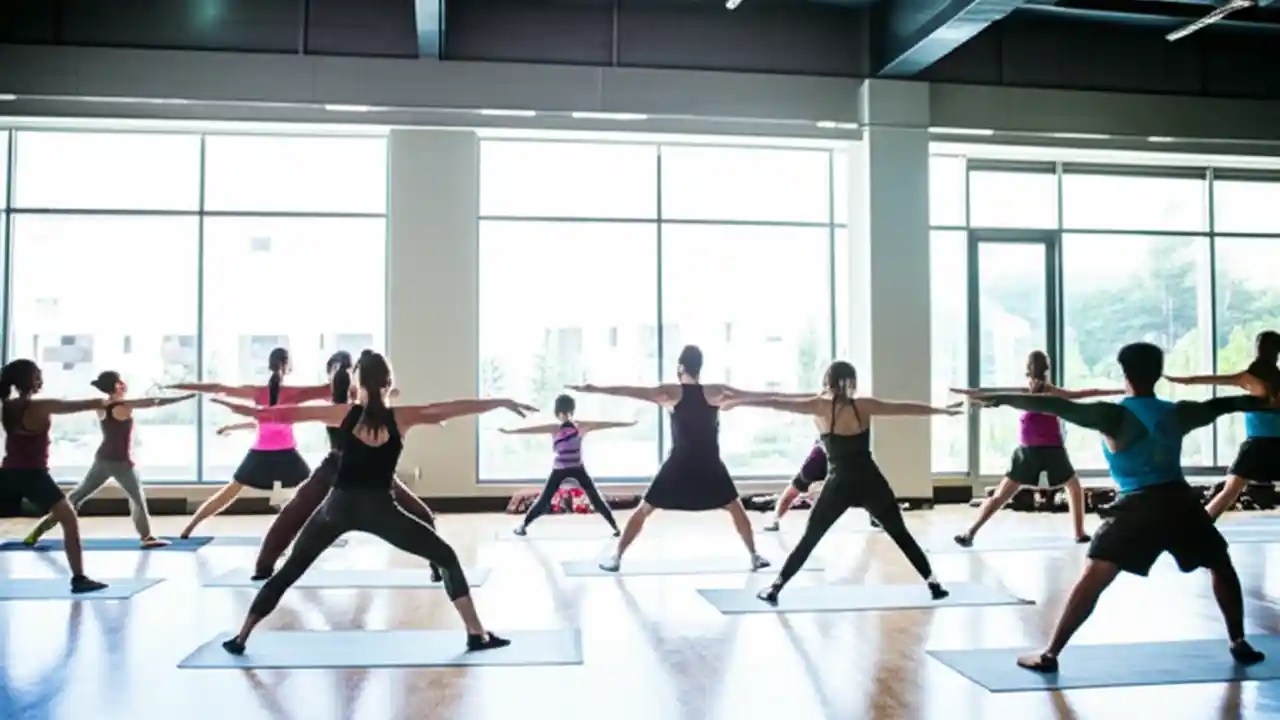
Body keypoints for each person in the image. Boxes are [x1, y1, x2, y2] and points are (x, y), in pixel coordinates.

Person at [959, 342, 1268, 672]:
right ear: (1158, 373)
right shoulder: (1179, 412)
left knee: (1093, 578)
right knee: (1220, 565)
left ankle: (1049, 654)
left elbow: (1052, 406)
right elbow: (1224, 404)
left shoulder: (1112, 414)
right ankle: (1238, 640)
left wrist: (999, 398)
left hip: (1136, 508)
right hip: (1179, 503)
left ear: (1125, 374)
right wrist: (1263, 400)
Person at [217, 351, 537, 655]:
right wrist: (501, 401)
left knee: (289, 571)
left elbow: (286, 414)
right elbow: (450, 408)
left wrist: (248, 412)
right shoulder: (402, 417)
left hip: (336, 509)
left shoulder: (342, 413)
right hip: (382, 511)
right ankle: (476, 634)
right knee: (446, 557)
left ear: (357, 383)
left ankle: (241, 637)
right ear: (389, 383)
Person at [719, 360, 960, 604]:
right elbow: (904, 408)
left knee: (810, 538)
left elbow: (776, 400)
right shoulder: (863, 405)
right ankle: (934, 584)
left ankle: (775, 588)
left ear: (827, 381)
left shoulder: (820, 407)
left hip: (839, 484)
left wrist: (739, 401)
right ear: (852, 383)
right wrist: (942, 411)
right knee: (900, 534)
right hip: (870, 480)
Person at [569, 345, 781, 573]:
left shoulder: (670, 393)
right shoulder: (716, 392)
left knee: (645, 509)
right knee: (735, 508)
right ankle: (754, 555)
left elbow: (630, 391)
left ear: (681, 367)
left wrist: (595, 389)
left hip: (680, 464)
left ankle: (617, 557)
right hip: (708, 463)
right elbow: (761, 396)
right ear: (699, 367)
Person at [235, 351, 444, 581]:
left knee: (295, 512)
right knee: (295, 512)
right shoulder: (349, 395)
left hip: (353, 467)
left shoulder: (349, 395)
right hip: (349, 468)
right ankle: (438, 565)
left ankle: (263, 567)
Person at [950, 350, 1122, 547]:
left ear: (1028, 370)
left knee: (1001, 495)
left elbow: (992, 395)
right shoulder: (1049, 392)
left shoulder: (1025, 393)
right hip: (1048, 450)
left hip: (1030, 451)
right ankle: (1079, 532)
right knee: (1073, 488)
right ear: (1047, 369)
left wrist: (970, 395)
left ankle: (970, 532)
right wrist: (1119, 391)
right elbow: (1084, 393)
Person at [170, 347, 332, 538]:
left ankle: (189, 528)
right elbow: (328, 390)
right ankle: (320, 529)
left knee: (230, 491)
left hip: (264, 453)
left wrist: (180, 386)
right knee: (315, 489)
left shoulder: (257, 392)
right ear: (287, 366)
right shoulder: (293, 393)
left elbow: (220, 389)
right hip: (285, 453)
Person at [24, 371, 196, 549]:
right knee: (136, 498)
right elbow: (154, 402)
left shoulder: (104, 405)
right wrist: (182, 398)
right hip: (119, 462)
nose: (124, 384)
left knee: (75, 498)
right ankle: (147, 537)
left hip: (103, 459)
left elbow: (149, 402)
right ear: (116, 386)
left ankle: (37, 531)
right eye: (120, 382)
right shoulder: (122, 406)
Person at [0, 359, 109, 593]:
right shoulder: (39, 406)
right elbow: (78, 405)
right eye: (37, 377)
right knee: (69, 520)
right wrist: (106, 400)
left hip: (8, 473)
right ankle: (79, 578)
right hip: (33, 475)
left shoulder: (6, 407)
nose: (41, 381)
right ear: (26, 380)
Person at [1166, 330, 1280, 520]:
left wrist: (1184, 381)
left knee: (1229, 492)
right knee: (1229, 491)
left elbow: (1213, 379)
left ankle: (1199, 529)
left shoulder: (1248, 378)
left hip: (1256, 445)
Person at [501, 393, 634, 537]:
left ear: (566, 412)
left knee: (595, 499)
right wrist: (510, 432)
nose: (564, 415)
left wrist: (627, 423)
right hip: (560, 469)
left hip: (577, 468)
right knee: (544, 501)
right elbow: (531, 430)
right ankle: (523, 527)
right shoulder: (556, 428)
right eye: (563, 413)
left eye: (566, 413)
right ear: (559, 413)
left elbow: (607, 424)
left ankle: (615, 528)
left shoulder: (578, 426)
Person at [761, 441, 827, 532]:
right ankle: (776, 520)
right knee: (791, 493)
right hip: (823, 460)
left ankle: (775, 521)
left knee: (792, 493)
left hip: (824, 459)